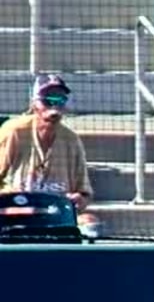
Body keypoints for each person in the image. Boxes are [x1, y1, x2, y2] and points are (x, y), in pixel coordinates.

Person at [0, 74, 99, 239]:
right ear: (34, 103)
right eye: (48, 99)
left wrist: (77, 200)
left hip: (56, 214)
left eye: (60, 100)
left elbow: (84, 193)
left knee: (90, 222)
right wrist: (12, 196)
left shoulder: (71, 140)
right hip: (14, 211)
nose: (54, 105)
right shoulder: (13, 132)